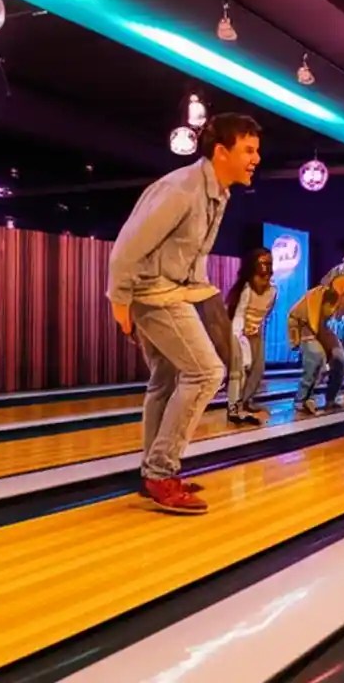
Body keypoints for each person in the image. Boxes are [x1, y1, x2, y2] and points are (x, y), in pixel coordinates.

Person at [106, 113, 262, 514]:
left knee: (166, 379)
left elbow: (190, 255)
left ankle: (151, 470)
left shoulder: (218, 193)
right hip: (154, 295)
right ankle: (161, 471)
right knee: (207, 372)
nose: (256, 158)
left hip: (174, 291)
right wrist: (120, 301)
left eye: (256, 150)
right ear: (221, 151)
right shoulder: (181, 189)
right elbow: (127, 247)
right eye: (248, 150)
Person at [225, 247, 277, 425]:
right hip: (238, 332)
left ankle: (245, 401)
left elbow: (265, 314)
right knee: (238, 371)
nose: (264, 279)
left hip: (255, 332)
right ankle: (233, 407)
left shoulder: (273, 291)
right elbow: (238, 315)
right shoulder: (246, 288)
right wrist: (239, 340)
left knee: (257, 369)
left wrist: (255, 331)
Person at [286, 281, 344, 414]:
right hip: (308, 334)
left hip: (321, 332)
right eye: (331, 307)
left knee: (341, 360)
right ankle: (302, 399)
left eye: (334, 307)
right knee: (316, 358)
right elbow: (292, 317)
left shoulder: (329, 300)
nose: (332, 311)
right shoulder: (310, 303)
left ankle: (330, 398)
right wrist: (295, 340)